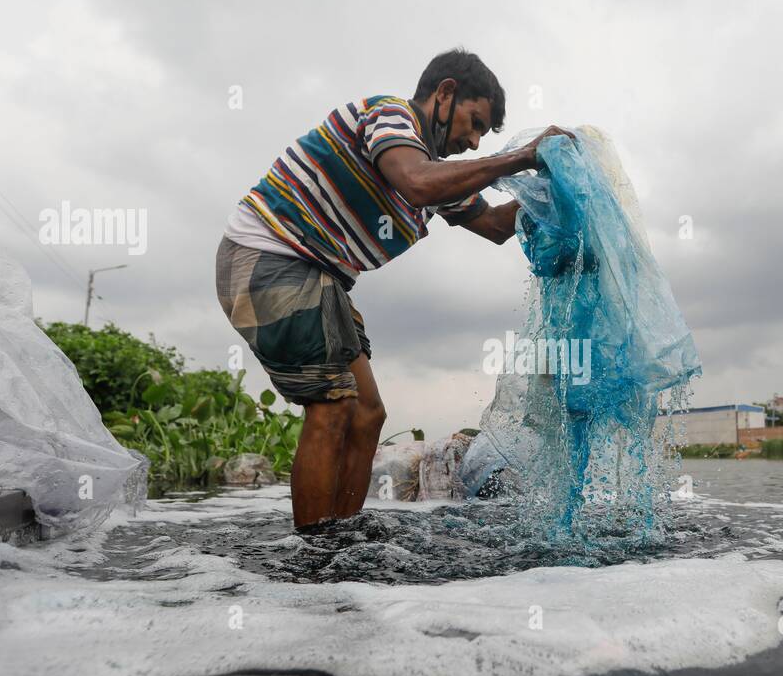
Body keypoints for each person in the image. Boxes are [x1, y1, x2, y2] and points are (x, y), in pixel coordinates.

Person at [215, 49, 572, 527]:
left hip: (322, 278)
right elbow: (416, 182)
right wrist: (519, 157)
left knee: (367, 414)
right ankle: (314, 559)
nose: (471, 141)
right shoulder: (390, 116)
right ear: (444, 94)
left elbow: (492, 224)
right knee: (333, 406)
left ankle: (342, 539)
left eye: (482, 134)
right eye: (473, 121)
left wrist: (557, 188)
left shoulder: (439, 170)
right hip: (270, 256)